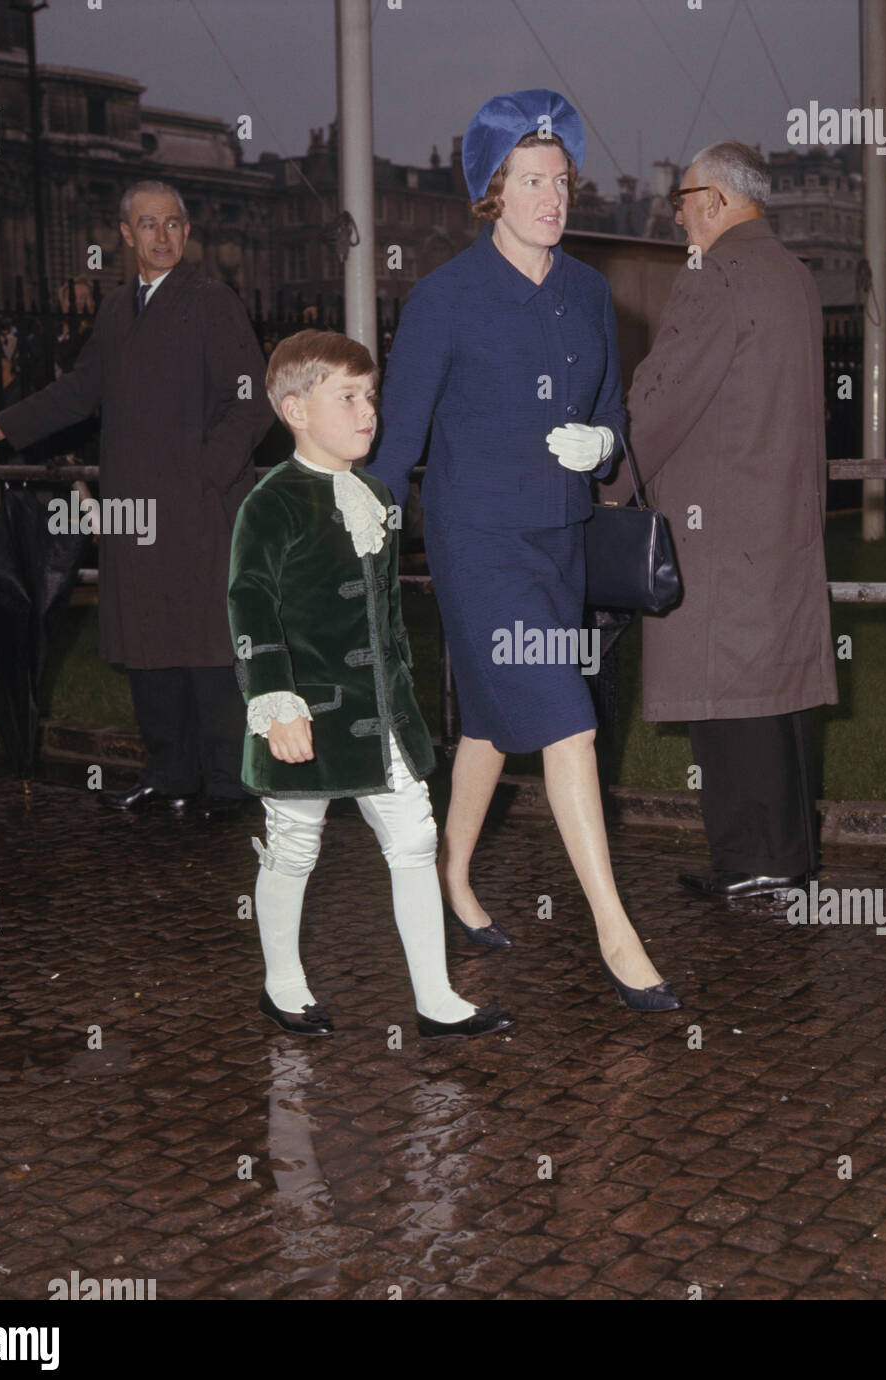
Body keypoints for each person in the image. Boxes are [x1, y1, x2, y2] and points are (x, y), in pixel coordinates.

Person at [367, 89, 678, 1011]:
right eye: (532, 181)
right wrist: (364, 529)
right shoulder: (444, 298)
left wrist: (605, 447)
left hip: (564, 540)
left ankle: (451, 875)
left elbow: (612, 412)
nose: (553, 197)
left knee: (495, 729)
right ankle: (616, 933)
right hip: (479, 544)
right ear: (491, 192)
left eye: (563, 181)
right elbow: (398, 443)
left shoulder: (589, 291)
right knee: (569, 720)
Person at [229, 329, 512, 1040]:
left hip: (380, 717)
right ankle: (283, 982)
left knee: (416, 838)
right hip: (307, 715)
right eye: (347, 398)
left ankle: (436, 996)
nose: (368, 412)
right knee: (294, 844)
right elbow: (250, 601)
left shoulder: (377, 495)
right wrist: (274, 701)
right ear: (294, 409)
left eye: (371, 397)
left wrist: (402, 702)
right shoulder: (272, 502)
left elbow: (384, 616)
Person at [0, 181, 273, 820]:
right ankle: (169, 776)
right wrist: (7, 423)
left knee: (206, 646)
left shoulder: (212, 303)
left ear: (187, 234)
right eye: (146, 224)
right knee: (149, 644)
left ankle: (226, 785)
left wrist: (207, 475)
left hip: (199, 509)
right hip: (134, 510)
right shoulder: (115, 310)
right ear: (125, 236)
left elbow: (251, 398)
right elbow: (82, 389)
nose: (161, 236)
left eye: (173, 224)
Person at [604, 141, 837, 900]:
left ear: (715, 199)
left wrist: (607, 475)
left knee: (729, 696)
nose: (677, 217)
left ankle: (753, 861)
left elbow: (664, 393)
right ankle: (788, 856)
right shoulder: (792, 274)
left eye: (681, 201)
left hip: (718, 522)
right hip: (781, 518)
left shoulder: (713, 274)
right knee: (781, 697)